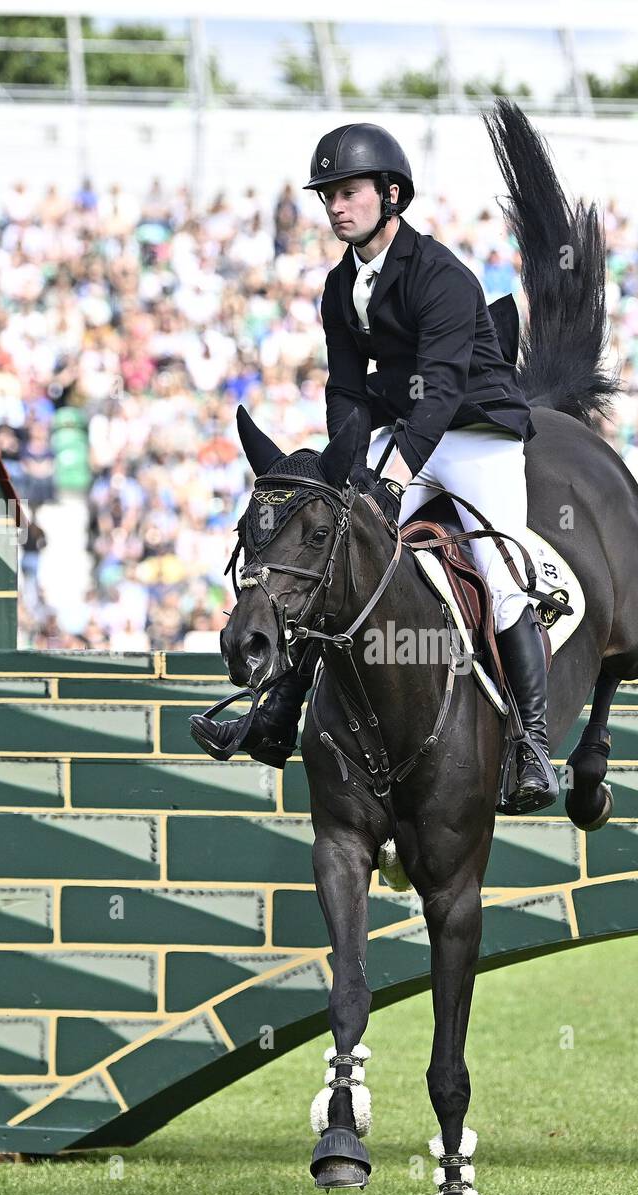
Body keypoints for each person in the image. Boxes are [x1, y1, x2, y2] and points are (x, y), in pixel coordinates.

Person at [191, 122, 559, 813]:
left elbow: (444, 388)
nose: (336, 206)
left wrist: (392, 479)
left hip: (476, 434)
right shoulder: (339, 285)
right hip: (405, 433)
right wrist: (349, 468)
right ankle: (275, 716)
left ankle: (533, 744)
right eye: (328, 195)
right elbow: (344, 387)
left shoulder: (441, 275)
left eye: (348, 192)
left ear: (391, 194)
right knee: (337, 553)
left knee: (503, 577)